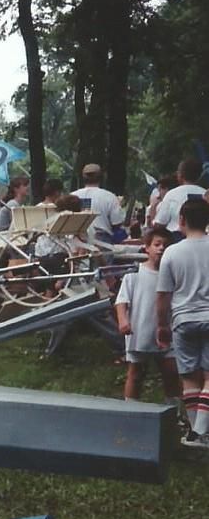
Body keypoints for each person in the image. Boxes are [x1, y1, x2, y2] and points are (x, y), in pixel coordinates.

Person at [156, 199, 209, 448]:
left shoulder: (172, 252)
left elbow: (164, 294)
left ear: (181, 221)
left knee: (189, 377)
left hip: (182, 319)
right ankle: (201, 432)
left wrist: (162, 325)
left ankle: (195, 433)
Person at [115, 227, 182, 409]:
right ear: (147, 247)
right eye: (157, 244)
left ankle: (173, 411)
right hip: (140, 331)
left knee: (171, 372)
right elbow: (122, 301)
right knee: (136, 373)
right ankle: (130, 409)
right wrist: (123, 320)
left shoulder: (174, 275)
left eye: (165, 246)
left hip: (168, 333)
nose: (161, 249)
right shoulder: (134, 273)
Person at [71, 163, 125, 246]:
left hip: (77, 241)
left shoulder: (72, 196)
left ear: (83, 177)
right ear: (101, 177)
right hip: (101, 240)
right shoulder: (109, 197)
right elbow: (117, 223)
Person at [153, 159, 206, 238]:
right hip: (203, 239)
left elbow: (160, 224)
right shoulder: (205, 194)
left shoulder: (171, 194)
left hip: (174, 239)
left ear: (180, 175)